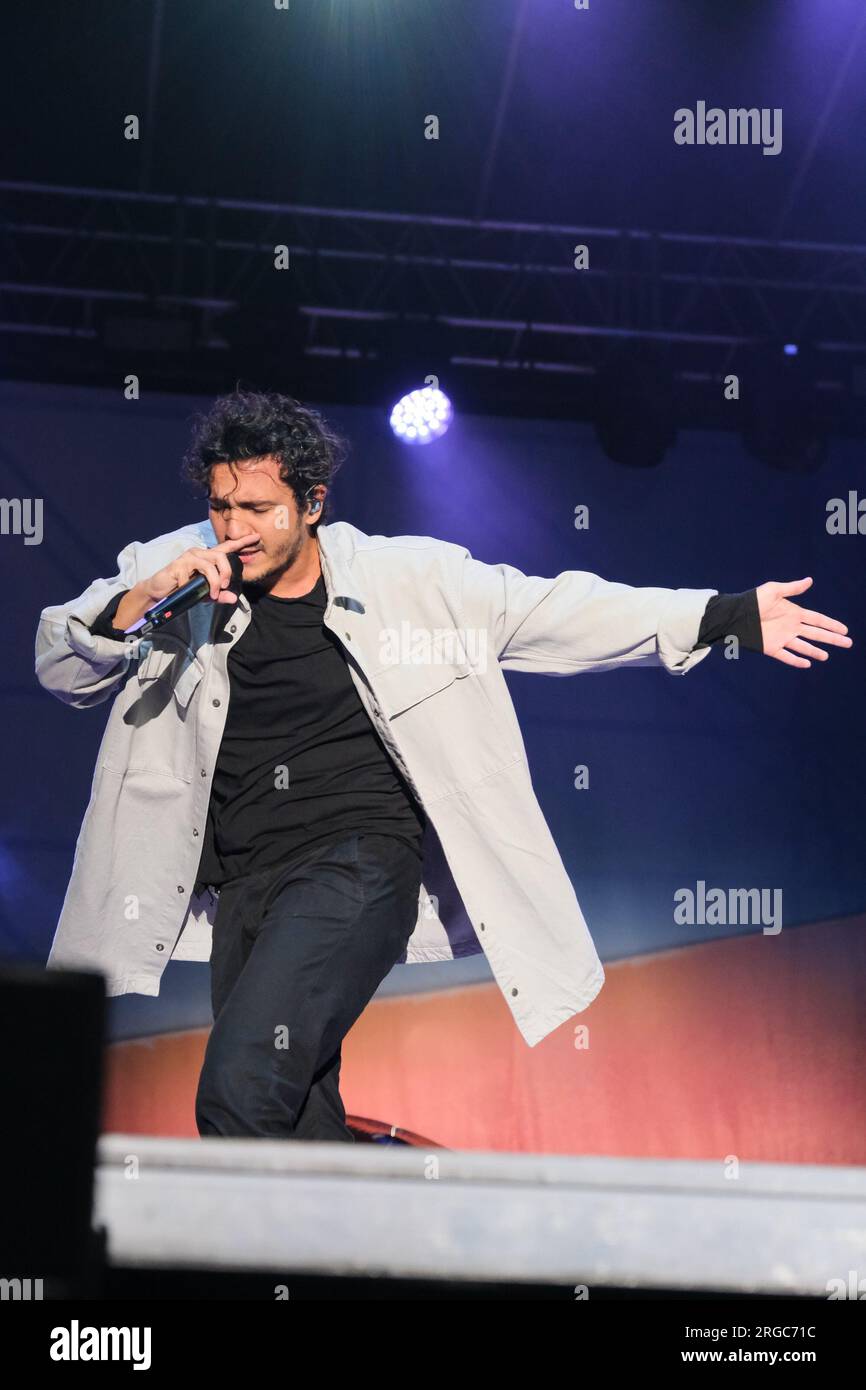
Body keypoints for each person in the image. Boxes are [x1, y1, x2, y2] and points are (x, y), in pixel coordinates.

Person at [36, 390, 853, 1141]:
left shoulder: (410, 579)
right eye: (219, 507)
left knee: (239, 1089)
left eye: (258, 509)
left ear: (313, 506)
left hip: (357, 863)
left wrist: (725, 615)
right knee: (295, 1123)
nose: (233, 529)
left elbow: (552, 608)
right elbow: (61, 663)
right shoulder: (173, 566)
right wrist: (145, 599)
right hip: (243, 883)